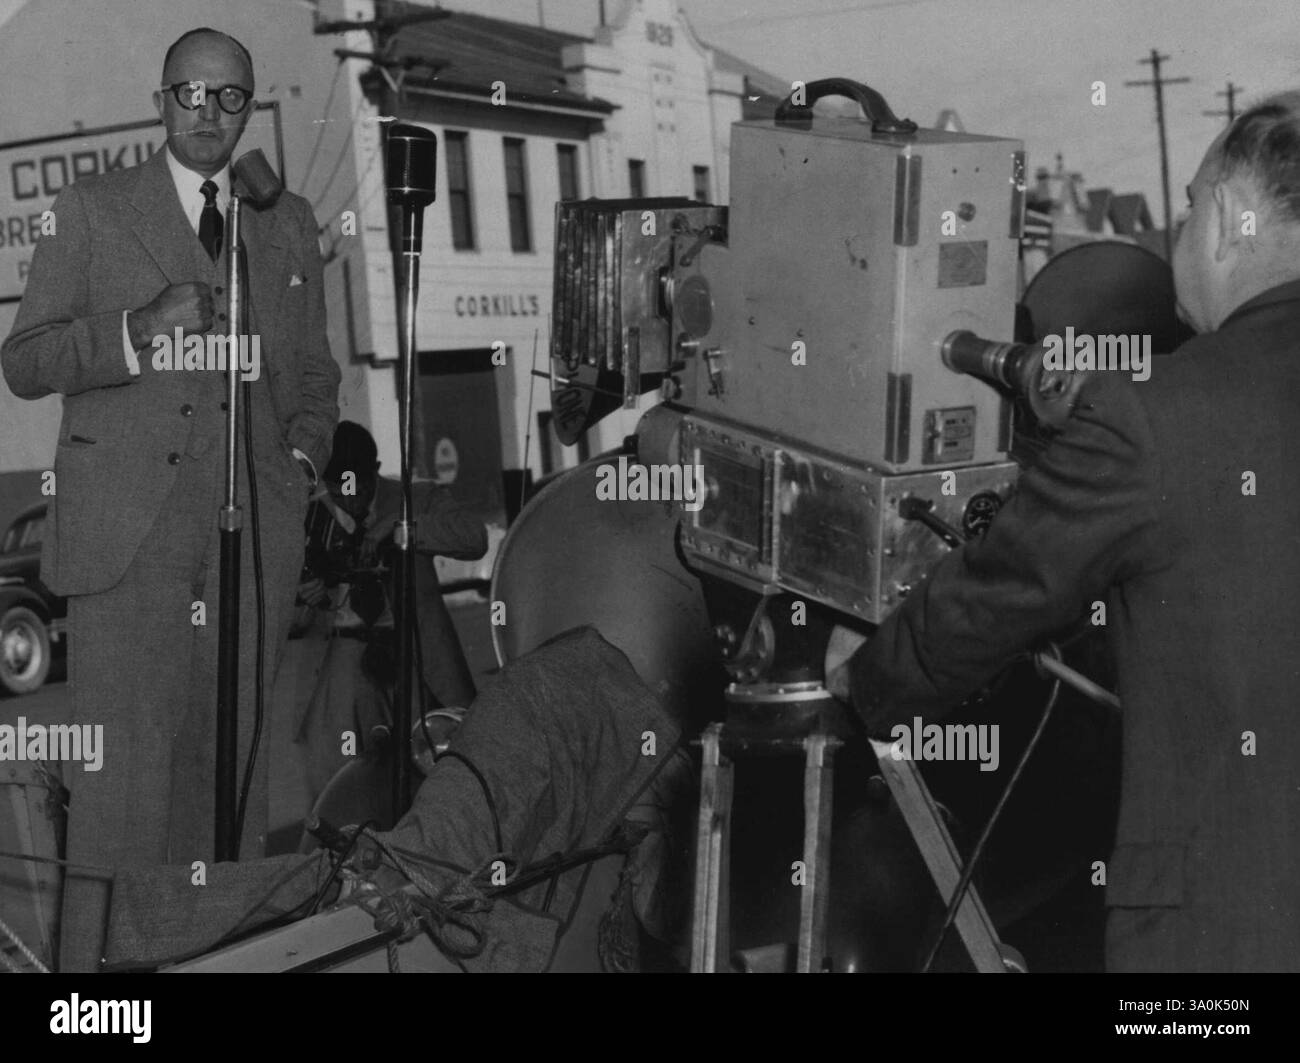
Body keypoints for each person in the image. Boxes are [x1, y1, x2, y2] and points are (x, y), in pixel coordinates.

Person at [833, 92, 1300, 972]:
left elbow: (996, 599)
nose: (1178, 233)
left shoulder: (1152, 420)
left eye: (1193, 204)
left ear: (1236, 219)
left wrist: (859, 681)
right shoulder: (1153, 416)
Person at [1, 28, 340, 971]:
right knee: (119, 805)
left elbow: (315, 377)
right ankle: (92, 1001)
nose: (208, 113)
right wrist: (135, 329)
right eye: (190, 94)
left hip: (250, 547)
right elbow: (24, 360)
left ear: (247, 109)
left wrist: (301, 463)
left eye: (228, 98)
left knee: (225, 796)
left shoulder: (284, 222)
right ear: (160, 102)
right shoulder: (93, 209)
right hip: (128, 547)